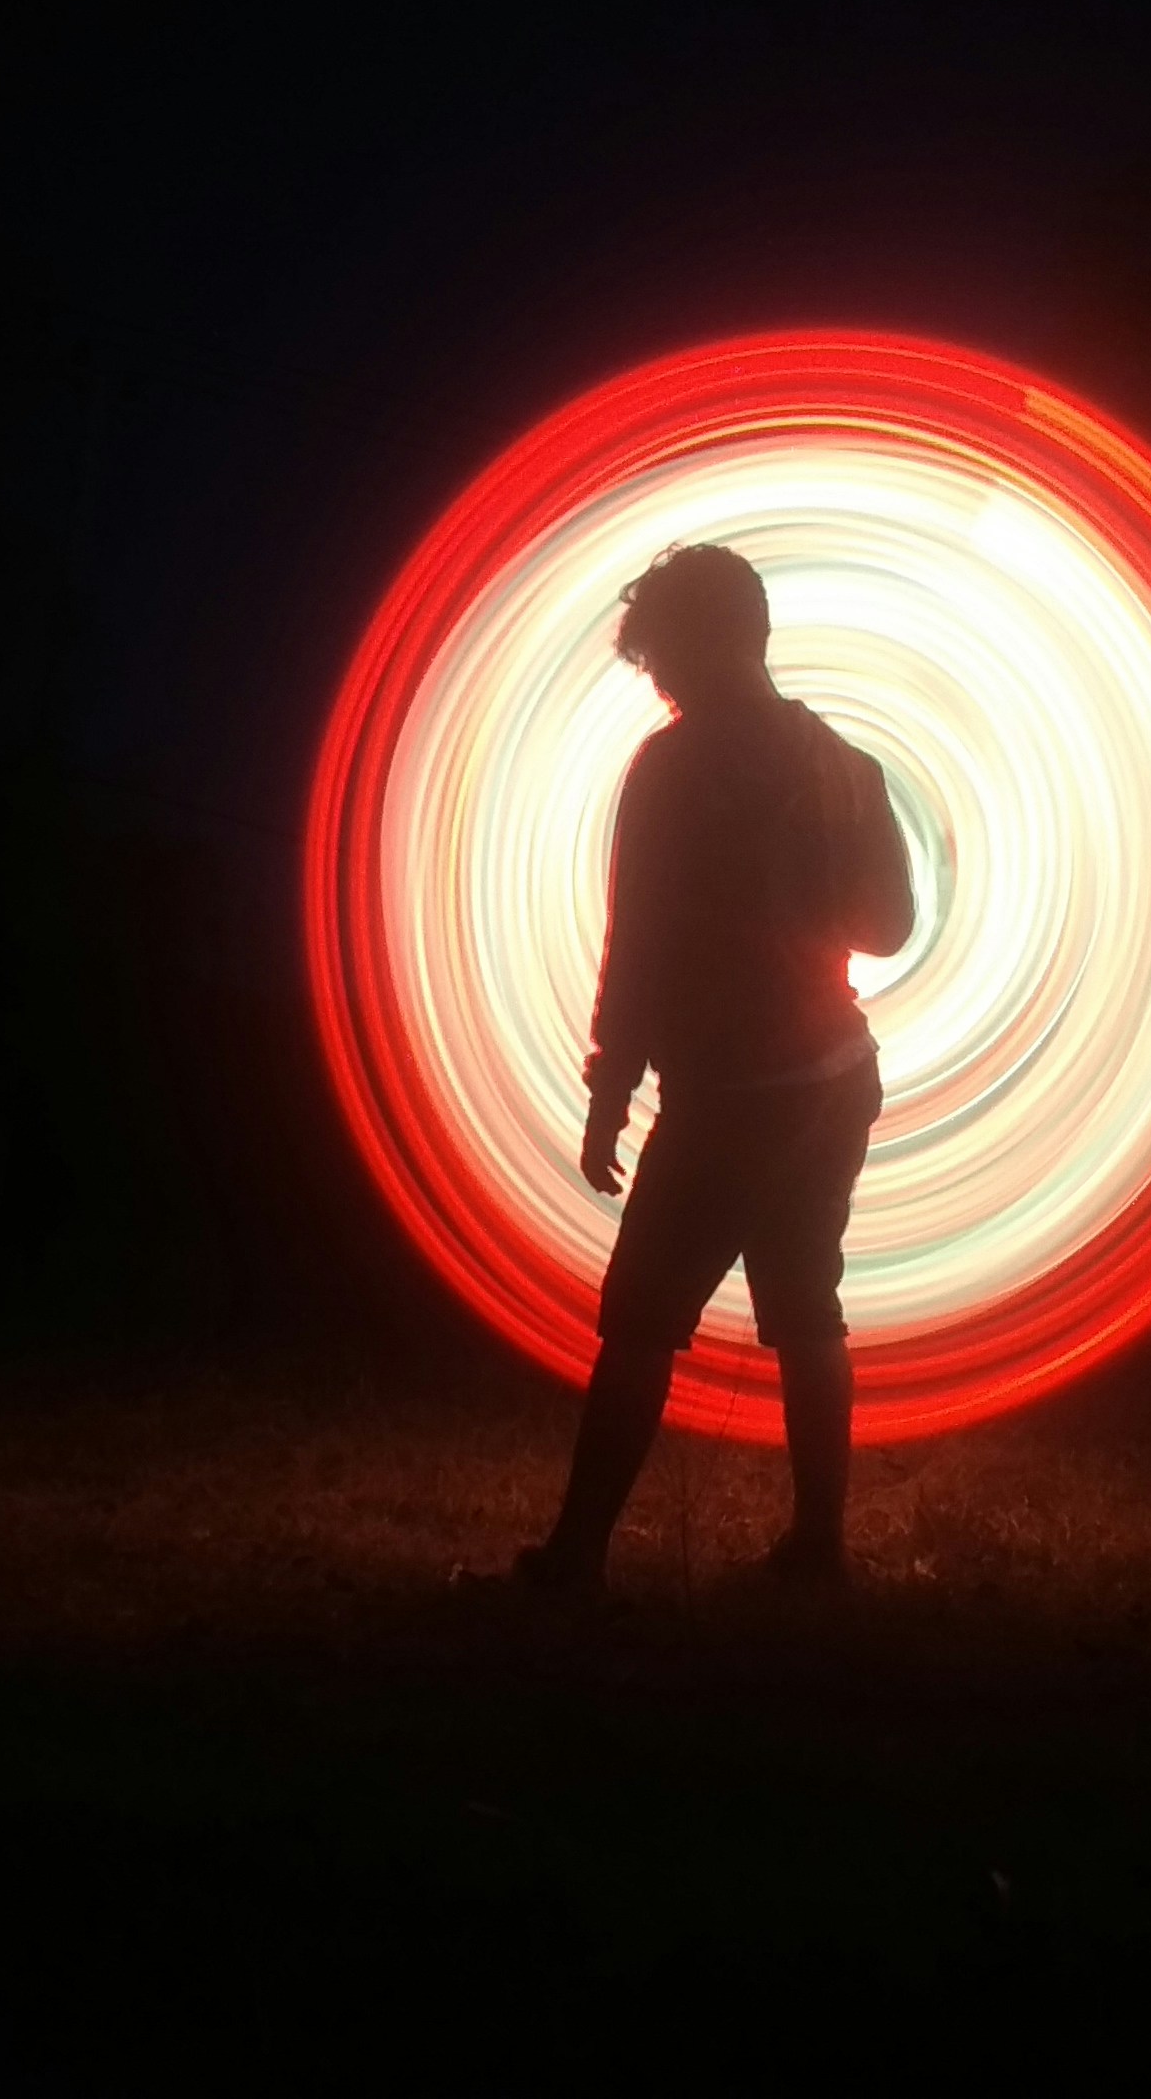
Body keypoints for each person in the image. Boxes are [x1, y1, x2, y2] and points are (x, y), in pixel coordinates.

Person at [510, 543, 915, 1594]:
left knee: (640, 1322)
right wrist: (809, 888)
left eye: (664, 657)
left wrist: (610, 1088)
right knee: (806, 1308)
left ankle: (575, 1557)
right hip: (833, 1077)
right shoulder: (846, 766)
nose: (660, 681)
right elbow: (889, 928)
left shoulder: (673, 769)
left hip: (731, 1092)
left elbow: (637, 941)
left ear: (709, 643)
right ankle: (818, 1549)